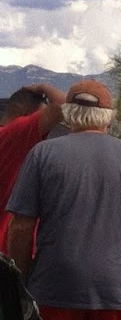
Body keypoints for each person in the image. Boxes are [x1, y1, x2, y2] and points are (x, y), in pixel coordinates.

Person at [4, 80, 121, 320]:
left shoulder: (42, 154)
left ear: (68, 115)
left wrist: (22, 282)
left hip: (52, 289)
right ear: (110, 118)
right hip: (117, 293)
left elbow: (20, 227)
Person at [0, 84, 65, 257]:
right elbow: (61, 105)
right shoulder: (14, 135)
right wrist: (42, 86)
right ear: (25, 115)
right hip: (5, 251)